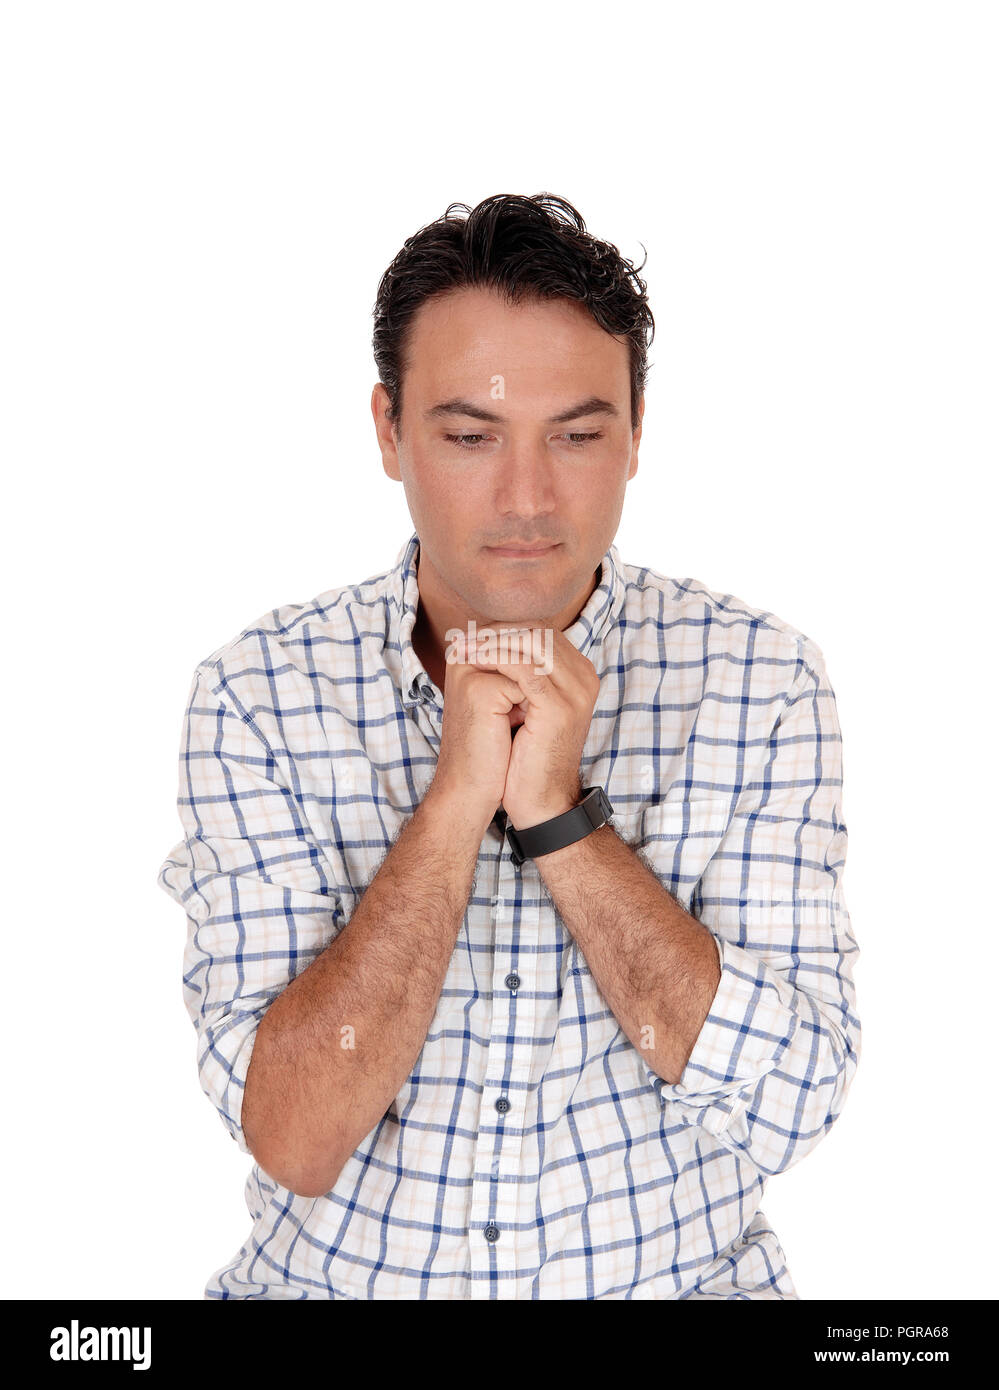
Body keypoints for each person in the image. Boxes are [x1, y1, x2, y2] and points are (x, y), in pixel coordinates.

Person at [157, 192, 860, 1300]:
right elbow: (294, 1137)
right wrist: (455, 802)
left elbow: (792, 1103)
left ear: (637, 435)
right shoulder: (260, 696)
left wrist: (559, 818)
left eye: (578, 435)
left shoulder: (758, 679)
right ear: (388, 432)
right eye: (470, 435)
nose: (528, 496)